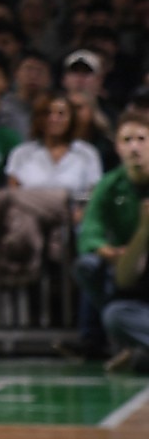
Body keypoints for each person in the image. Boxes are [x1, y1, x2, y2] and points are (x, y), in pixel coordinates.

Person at [78, 109, 149, 371]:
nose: (134, 147)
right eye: (127, 140)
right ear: (117, 147)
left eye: (141, 139)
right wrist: (105, 250)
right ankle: (130, 344)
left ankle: (141, 355)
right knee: (89, 269)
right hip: (129, 274)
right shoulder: (110, 184)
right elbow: (89, 231)